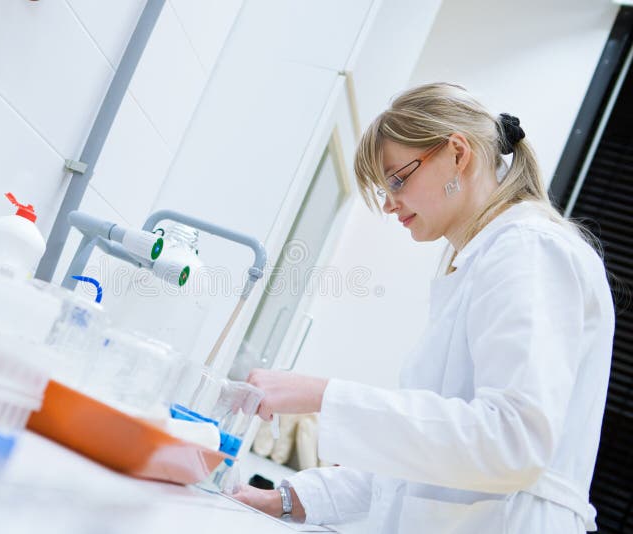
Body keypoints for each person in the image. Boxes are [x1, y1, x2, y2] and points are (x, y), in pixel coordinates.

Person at [233, 83, 615, 533]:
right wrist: (284, 499)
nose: (390, 202)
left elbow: (513, 442)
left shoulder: (529, 250)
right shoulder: (480, 263)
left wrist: (325, 394)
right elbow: (421, 462)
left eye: (397, 178)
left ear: (458, 153)